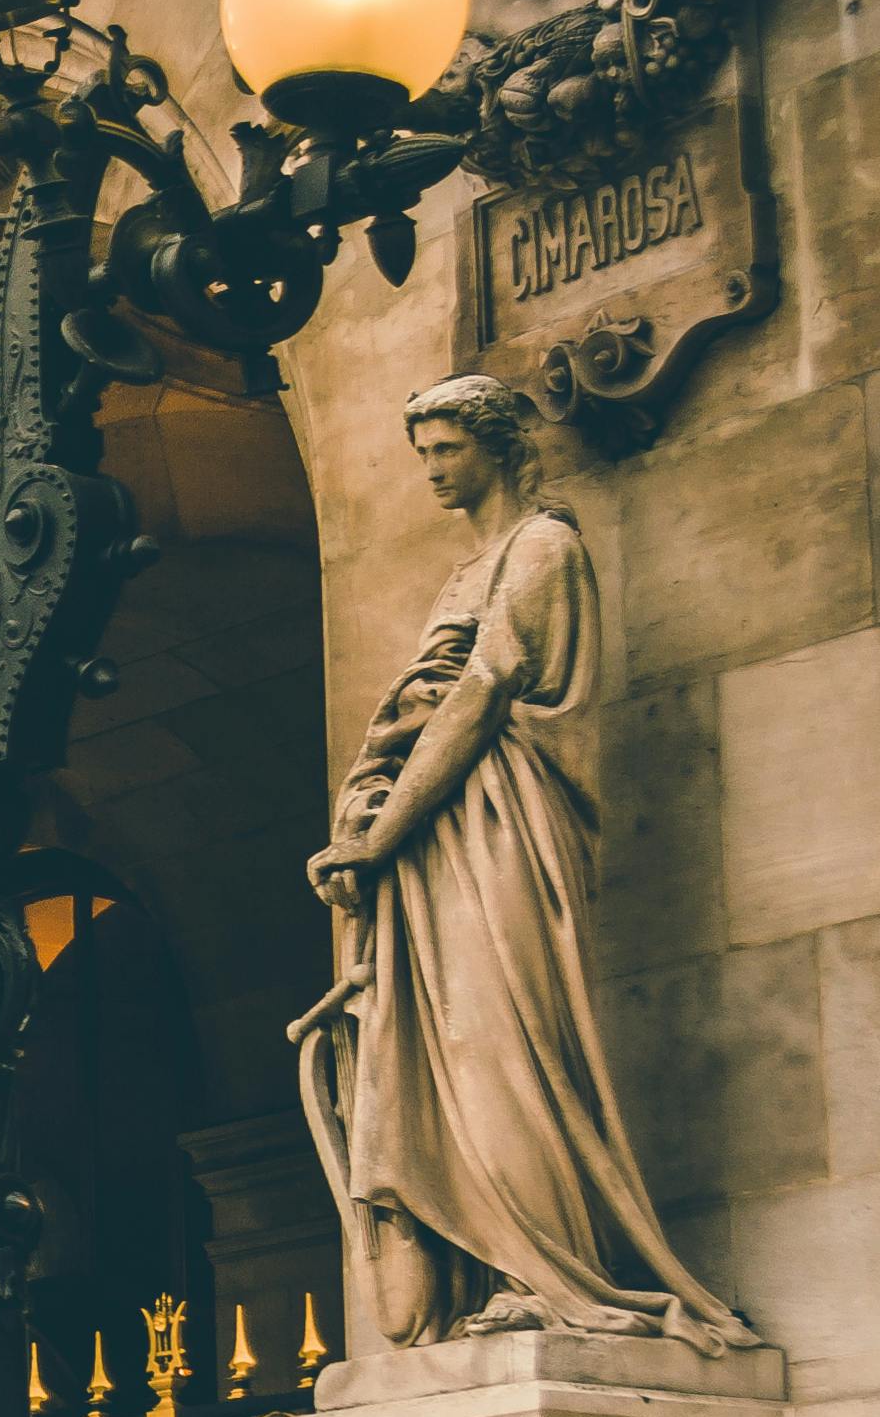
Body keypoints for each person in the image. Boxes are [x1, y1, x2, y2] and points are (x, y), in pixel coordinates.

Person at [297, 374, 757, 1353]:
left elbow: (482, 690)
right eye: (420, 452)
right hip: (438, 841)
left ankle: (545, 1272)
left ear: (498, 446)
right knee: (451, 1045)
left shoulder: (543, 547)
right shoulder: (462, 572)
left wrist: (378, 835)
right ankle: (493, 1272)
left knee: (502, 1046)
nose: (429, 469)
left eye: (446, 448)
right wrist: (372, 819)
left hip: (501, 831)